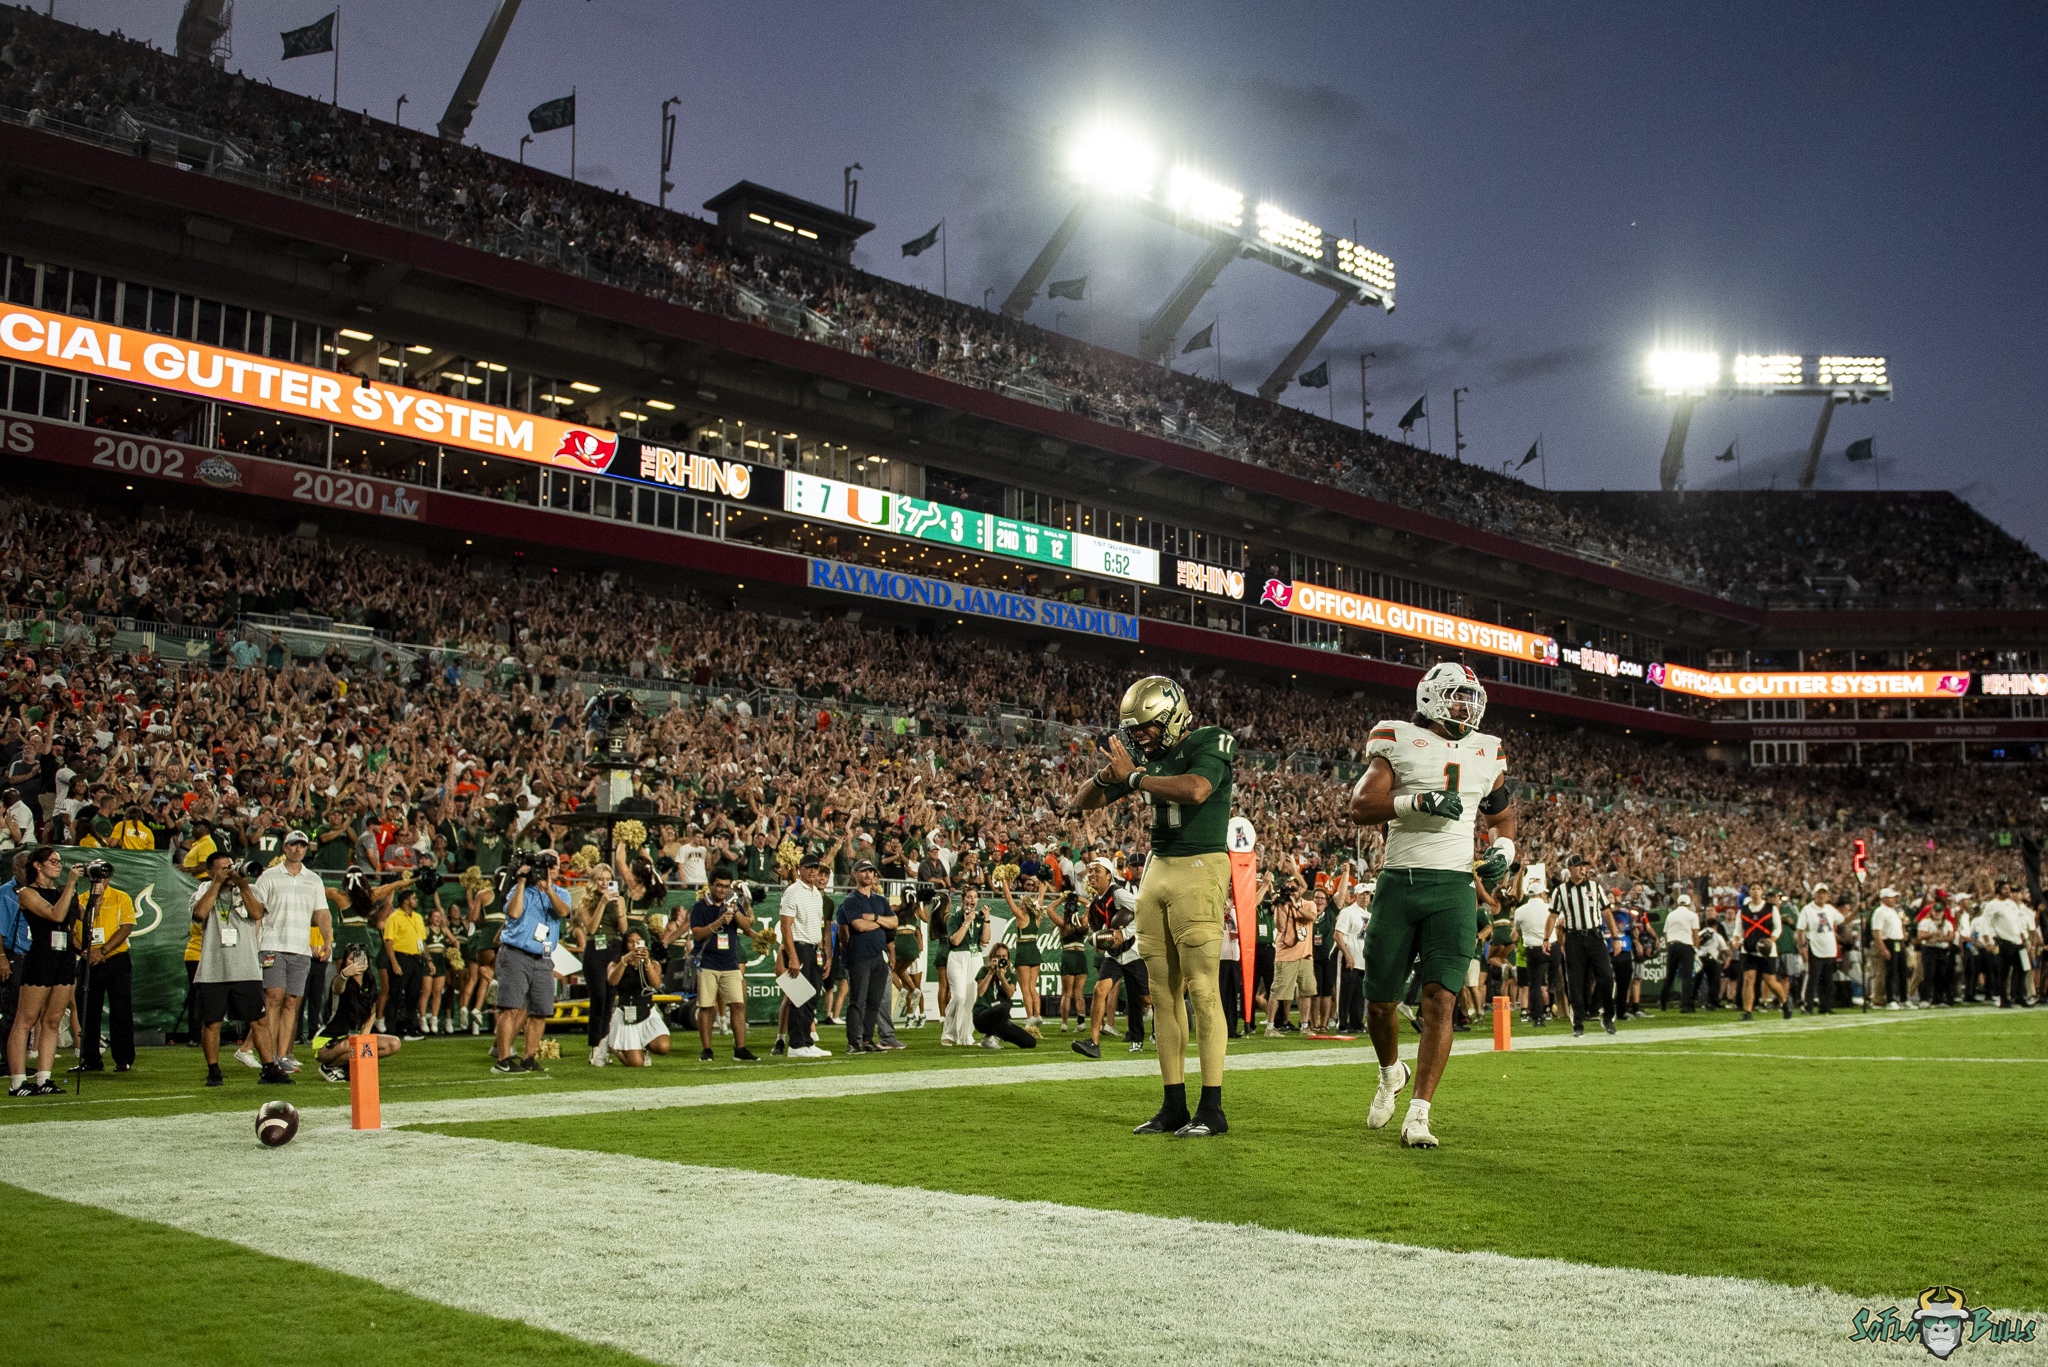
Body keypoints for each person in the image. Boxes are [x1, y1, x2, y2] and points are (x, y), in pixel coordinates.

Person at [1348, 662, 1515, 1149]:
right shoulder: (1396, 738)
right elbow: (1360, 807)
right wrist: (1415, 804)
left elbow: (1503, 818)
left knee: (1441, 998)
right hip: (1400, 883)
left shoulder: (1487, 750)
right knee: (1379, 1002)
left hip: (1455, 887)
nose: (1465, 705)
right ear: (1429, 697)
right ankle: (1389, 1073)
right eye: (1455, 696)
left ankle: (1420, 1113)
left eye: (1470, 697)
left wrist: (1503, 852)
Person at [1070, 675, 1236, 1138]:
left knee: (1203, 989)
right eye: (1135, 729)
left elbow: (1198, 788)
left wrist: (1137, 776)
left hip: (1200, 865)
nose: (1139, 736)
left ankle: (1213, 1108)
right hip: (1156, 869)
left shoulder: (1210, 740)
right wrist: (1108, 776)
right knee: (1162, 994)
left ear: (1174, 716)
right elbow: (1080, 804)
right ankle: (1173, 1105)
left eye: (1146, 727)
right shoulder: (1145, 757)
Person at [189, 850, 281, 1086]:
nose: (229, 871)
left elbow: (257, 913)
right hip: (212, 968)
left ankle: (269, 1068)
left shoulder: (248, 889)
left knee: (258, 1020)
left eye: (231, 866)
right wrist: (216, 884)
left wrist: (244, 886)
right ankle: (214, 1071)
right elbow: (199, 914)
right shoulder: (203, 889)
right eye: (223, 868)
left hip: (246, 967)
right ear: (210, 872)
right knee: (212, 1023)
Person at [252, 830, 332, 1074]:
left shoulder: (313, 880)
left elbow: (321, 912)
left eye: (302, 846)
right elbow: (257, 912)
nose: (298, 849)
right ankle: (270, 1057)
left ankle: (282, 1054)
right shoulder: (268, 877)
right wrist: (254, 946)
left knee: (293, 1002)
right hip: (272, 944)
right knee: (274, 998)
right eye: (293, 845)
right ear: (284, 848)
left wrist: (327, 940)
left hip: (301, 948)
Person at [7, 848, 83, 1095]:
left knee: (52, 1020)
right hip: (41, 957)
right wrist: (71, 883)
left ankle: (44, 1078)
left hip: (64, 957)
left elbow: (78, 919)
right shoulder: (27, 893)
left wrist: (94, 898)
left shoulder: (62, 891)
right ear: (37, 866)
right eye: (53, 861)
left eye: (60, 861)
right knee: (25, 1020)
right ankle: (17, 1081)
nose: (58, 865)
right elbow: (55, 914)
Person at [491, 853, 571, 1074]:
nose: (549, 870)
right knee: (511, 1008)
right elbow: (514, 912)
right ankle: (503, 1059)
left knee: (540, 1011)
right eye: (545, 866)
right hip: (516, 953)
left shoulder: (561, 893)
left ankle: (528, 1057)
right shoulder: (520, 891)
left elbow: (563, 912)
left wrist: (549, 890)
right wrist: (521, 881)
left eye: (552, 866)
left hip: (544, 958)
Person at [1072, 857, 1144, 1059]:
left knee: (1148, 999)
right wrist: (1100, 941)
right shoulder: (1096, 902)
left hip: (1133, 953)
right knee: (1099, 990)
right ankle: (1093, 1042)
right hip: (1113, 954)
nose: (1092, 874)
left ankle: (1169, 1024)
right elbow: (1105, 926)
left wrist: (1125, 933)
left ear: (1109, 875)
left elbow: (1144, 910)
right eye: (1091, 871)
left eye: (1097, 871)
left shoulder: (1119, 893)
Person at [688, 867, 759, 1062]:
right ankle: (707, 1049)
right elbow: (696, 934)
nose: (722, 890)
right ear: (710, 885)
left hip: (729, 962)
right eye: (719, 885)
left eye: (726, 886)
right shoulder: (699, 907)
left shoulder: (733, 904)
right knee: (706, 1006)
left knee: (738, 1004)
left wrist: (735, 911)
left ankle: (740, 1048)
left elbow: (746, 926)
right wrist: (719, 921)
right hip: (707, 962)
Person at [73, 859, 136, 1072]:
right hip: (87, 959)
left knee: (121, 1010)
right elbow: (72, 931)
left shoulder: (121, 897)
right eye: (98, 876)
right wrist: (84, 951)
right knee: (87, 1012)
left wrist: (104, 951)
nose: (102, 879)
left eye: (105, 876)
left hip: (116, 960)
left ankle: (123, 1059)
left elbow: (126, 928)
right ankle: (90, 1059)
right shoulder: (80, 900)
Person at [312, 943, 400, 1083]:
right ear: (345, 961)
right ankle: (330, 1065)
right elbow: (337, 988)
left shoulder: (369, 985)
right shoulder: (340, 980)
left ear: (367, 962)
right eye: (351, 958)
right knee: (352, 1044)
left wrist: (364, 1045)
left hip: (353, 1039)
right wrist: (345, 974)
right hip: (328, 1043)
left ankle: (346, 1065)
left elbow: (370, 1016)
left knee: (393, 1043)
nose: (356, 962)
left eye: (360, 958)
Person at [833, 859, 895, 1054]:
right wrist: (881, 922)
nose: (868, 875)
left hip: (878, 955)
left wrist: (875, 919)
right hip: (859, 956)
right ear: (855, 874)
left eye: (871, 871)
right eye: (864, 871)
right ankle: (853, 1041)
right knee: (858, 1001)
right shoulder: (851, 900)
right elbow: (857, 926)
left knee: (874, 1001)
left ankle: (867, 1040)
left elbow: (894, 922)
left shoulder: (879, 900)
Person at [1552, 856, 1617, 1037]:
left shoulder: (1595, 887)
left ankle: (1608, 1016)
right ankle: (1578, 1023)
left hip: (1595, 936)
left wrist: (1616, 937)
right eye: (1579, 867)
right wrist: (1545, 939)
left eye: (1584, 867)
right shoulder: (1561, 891)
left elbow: (1607, 912)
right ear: (1570, 869)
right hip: (1574, 938)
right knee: (1575, 982)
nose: (1582, 870)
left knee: (1606, 977)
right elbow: (1552, 916)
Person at [775, 854, 831, 1058]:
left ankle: (807, 1041)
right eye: (809, 868)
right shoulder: (792, 892)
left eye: (815, 868)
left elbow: (820, 926)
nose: (813, 871)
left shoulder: (816, 894)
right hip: (799, 947)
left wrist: (823, 952)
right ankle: (796, 1045)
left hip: (814, 948)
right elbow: (785, 926)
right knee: (799, 996)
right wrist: (793, 956)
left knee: (813, 996)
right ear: (799, 869)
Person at [571, 869, 628, 1066]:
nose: (604, 883)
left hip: (614, 949)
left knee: (610, 1000)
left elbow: (624, 929)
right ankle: (594, 1046)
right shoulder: (585, 902)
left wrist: (619, 908)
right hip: (595, 950)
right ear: (594, 881)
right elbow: (592, 928)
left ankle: (604, 1046)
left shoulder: (618, 900)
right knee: (599, 998)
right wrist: (602, 903)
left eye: (608, 879)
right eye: (601, 879)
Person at [604, 929, 670, 1066]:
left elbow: (656, 984)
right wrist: (625, 960)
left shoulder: (653, 964)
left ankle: (643, 1045)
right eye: (630, 942)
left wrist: (646, 963)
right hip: (626, 1014)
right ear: (625, 945)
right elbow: (613, 981)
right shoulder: (615, 964)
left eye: (638, 942)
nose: (634, 946)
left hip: (647, 1012)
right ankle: (611, 1046)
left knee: (663, 1047)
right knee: (636, 1063)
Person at [1265, 881, 1315, 1037]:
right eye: (1289, 889)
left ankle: (1305, 1026)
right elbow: (1280, 927)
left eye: (1294, 888)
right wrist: (1281, 906)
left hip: (1305, 955)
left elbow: (1312, 917)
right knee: (1278, 991)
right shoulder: (1282, 905)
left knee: (1306, 991)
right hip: (1286, 955)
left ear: (1301, 889)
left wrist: (1296, 906)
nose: (1292, 892)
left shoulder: (1309, 903)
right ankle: (1270, 1027)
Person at [382, 883, 429, 1040]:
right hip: (401, 957)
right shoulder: (394, 918)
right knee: (395, 994)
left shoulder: (418, 917)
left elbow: (422, 941)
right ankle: (390, 1030)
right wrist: (394, 963)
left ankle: (412, 1029)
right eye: (413, 898)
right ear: (405, 901)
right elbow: (389, 942)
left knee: (413, 995)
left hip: (416, 959)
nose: (416, 900)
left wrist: (428, 960)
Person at [1512, 869, 1555, 1026]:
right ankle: (1555, 1009)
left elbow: (1516, 933)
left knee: (1535, 985)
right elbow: (1560, 924)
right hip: (1551, 946)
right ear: (1542, 894)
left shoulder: (1520, 911)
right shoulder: (1549, 908)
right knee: (1555, 981)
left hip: (1531, 950)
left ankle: (1537, 1018)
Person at [972, 943, 1036, 1049]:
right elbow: (980, 992)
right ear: (992, 957)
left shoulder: (1011, 975)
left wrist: (1002, 977)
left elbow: (1010, 994)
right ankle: (989, 1037)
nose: (1001, 959)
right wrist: (991, 973)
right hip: (982, 1016)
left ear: (1008, 958)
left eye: (1004, 957)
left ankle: (993, 1036)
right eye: (998, 956)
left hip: (1000, 1020)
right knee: (1005, 1006)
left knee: (1030, 1042)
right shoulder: (984, 971)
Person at [1980, 881, 2030, 1008]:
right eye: (2004, 889)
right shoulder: (1993, 905)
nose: (2008, 891)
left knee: (2024, 968)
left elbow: (2018, 921)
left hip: (2018, 940)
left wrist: (2024, 935)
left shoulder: (2012, 903)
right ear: (1998, 890)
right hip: (2005, 941)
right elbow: (1985, 923)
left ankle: (2019, 996)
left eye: (2008, 889)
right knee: (2004, 972)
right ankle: (2004, 999)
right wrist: (1988, 941)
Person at [1739, 893, 1787, 1020]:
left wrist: (1771, 940)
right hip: (1749, 949)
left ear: (1761, 892)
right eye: (1753, 888)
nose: (1756, 890)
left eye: (1758, 888)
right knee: (1749, 979)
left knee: (1770, 981)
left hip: (1767, 950)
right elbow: (1738, 929)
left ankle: (1785, 1002)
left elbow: (1778, 928)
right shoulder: (1743, 910)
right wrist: (1736, 940)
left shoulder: (1771, 908)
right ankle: (1748, 1012)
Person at [1048, 887, 1089, 1033]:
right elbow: (1090, 905)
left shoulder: (1063, 924)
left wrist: (1063, 899)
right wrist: (1079, 899)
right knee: (1079, 993)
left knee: (1066, 993)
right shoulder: (1082, 922)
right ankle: (1081, 1022)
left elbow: (1049, 909)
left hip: (1068, 956)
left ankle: (1064, 1024)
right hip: (1080, 957)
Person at [1797, 885, 1843, 1014]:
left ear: (1827, 896)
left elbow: (1842, 921)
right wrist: (1801, 946)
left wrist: (1857, 910)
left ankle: (1825, 1006)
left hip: (1830, 949)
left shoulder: (1830, 909)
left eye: (1824, 893)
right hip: (1815, 948)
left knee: (1827, 980)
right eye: (1819, 893)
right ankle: (1807, 1005)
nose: (1821, 896)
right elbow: (1800, 929)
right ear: (1814, 895)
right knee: (1813, 979)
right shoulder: (1807, 910)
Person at [1334, 879, 1372, 1033]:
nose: (1364, 898)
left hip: (1362, 959)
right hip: (1349, 957)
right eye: (1362, 895)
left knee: (1359, 994)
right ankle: (1341, 1022)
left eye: (1367, 894)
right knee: (1345, 992)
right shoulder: (1348, 912)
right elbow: (1338, 935)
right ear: (1355, 896)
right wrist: (1347, 955)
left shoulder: (1369, 914)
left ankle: (1357, 1023)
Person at [1660, 893, 1699, 1014]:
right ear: (1688, 904)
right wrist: (1696, 949)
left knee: (1670, 975)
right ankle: (1685, 1005)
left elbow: (1665, 933)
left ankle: (1662, 1001)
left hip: (1672, 945)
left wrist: (1669, 945)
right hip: (1686, 946)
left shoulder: (1671, 915)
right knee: (1686, 977)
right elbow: (1695, 934)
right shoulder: (1692, 915)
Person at [1869, 886, 1907, 1009]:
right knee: (1890, 972)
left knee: (1902, 971)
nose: (1894, 900)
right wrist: (1883, 948)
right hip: (1888, 941)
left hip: (1898, 941)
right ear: (1884, 898)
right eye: (1891, 897)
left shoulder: (1894, 911)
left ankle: (1903, 998)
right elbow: (1876, 931)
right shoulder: (1880, 912)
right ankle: (1889, 999)